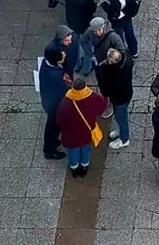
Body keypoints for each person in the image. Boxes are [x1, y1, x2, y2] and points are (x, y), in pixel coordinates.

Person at [56, 74, 110, 176]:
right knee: (85, 149)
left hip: (71, 135)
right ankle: (85, 166)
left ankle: (74, 168)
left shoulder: (65, 102)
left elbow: (59, 120)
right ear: (84, 86)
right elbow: (102, 107)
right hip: (86, 132)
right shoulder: (93, 97)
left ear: (73, 87)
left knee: (73, 152)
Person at [37, 29, 77, 160]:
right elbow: (66, 91)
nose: (64, 56)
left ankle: (52, 141)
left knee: (53, 125)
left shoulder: (48, 64)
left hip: (51, 102)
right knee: (53, 125)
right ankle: (49, 150)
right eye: (62, 57)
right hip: (55, 106)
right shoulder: (55, 77)